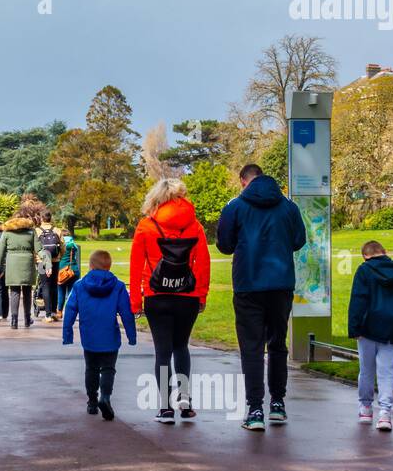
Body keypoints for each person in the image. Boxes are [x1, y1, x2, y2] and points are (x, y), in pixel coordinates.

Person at [216, 164, 307, 432]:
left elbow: (225, 245)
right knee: (278, 344)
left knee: (252, 348)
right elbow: (298, 240)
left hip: (248, 284)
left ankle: (255, 408)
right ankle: (277, 403)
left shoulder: (235, 206)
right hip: (280, 283)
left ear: (244, 181)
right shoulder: (288, 206)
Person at [129, 178, 211, 424]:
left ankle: (165, 407)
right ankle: (184, 400)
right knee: (181, 347)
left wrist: (136, 302)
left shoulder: (146, 225)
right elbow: (203, 263)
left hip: (157, 296)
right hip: (186, 295)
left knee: (162, 352)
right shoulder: (194, 226)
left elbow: (136, 266)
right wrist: (201, 294)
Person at [61, 249, 136, 421]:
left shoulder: (79, 286)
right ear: (109, 266)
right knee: (109, 369)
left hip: (89, 336)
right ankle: (106, 397)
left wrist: (67, 334)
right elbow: (126, 312)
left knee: (91, 368)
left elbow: (70, 310)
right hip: (110, 336)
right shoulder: (118, 286)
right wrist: (131, 336)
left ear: (90, 265)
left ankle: (92, 401)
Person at [348, 240, 393, 432]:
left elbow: (358, 299)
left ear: (364, 256)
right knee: (387, 372)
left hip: (368, 327)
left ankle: (366, 407)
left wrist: (354, 327)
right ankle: (385, 413)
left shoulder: (364, 271)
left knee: (366, 370)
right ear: (384, 252)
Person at [0, 214, 38, 329]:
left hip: (12, 264)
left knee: (14, 292)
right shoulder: (31, 232)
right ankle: (27, 319)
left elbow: (0, 251)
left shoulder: (7, 233)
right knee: (27, 292)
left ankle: (14, 321)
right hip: (27, 263)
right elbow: (38, 248)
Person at [35, 211, 63, 322]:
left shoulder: (37, 231)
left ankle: (47, 314)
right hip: (55, 261)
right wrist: (59, 256)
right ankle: (54, 312)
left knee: (45, 285)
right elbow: (63, 246)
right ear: (50, 218)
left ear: (41, 219)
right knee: (54, 286)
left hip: (41, 262)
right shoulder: (57, 230)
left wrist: (36, 259)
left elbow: (35, 247)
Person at [56, 230, 81, 314]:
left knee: (61, 291)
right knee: (71, 292)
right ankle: (70, 311)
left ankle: (59, 311)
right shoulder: (73, 245)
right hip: (73, 270)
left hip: (62, 271)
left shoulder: (60, 245)